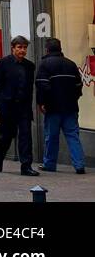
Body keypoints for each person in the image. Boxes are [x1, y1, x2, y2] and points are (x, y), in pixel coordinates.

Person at [35, 38, 86, 174]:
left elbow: (42, 86)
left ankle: (50, 164)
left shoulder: (45, 64)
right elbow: (78, 86)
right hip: (70, 107)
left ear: (47, 49)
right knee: (73, 136)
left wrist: (42, 102)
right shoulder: (71, 64)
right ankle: (79, 165)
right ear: (60, 48)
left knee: (51, 137)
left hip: (53, 108)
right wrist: (72, 99)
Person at [0, 35, 39, 176]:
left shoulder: (30, 66)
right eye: (19, 47)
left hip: (24, 107)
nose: (22, 50)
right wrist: (0, 104)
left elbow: (30, 88)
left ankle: (26, 166)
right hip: (7, 107)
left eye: (24, 48)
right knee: (7, 136)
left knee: (25, 136)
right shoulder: (2, 63)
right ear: (13, 48)